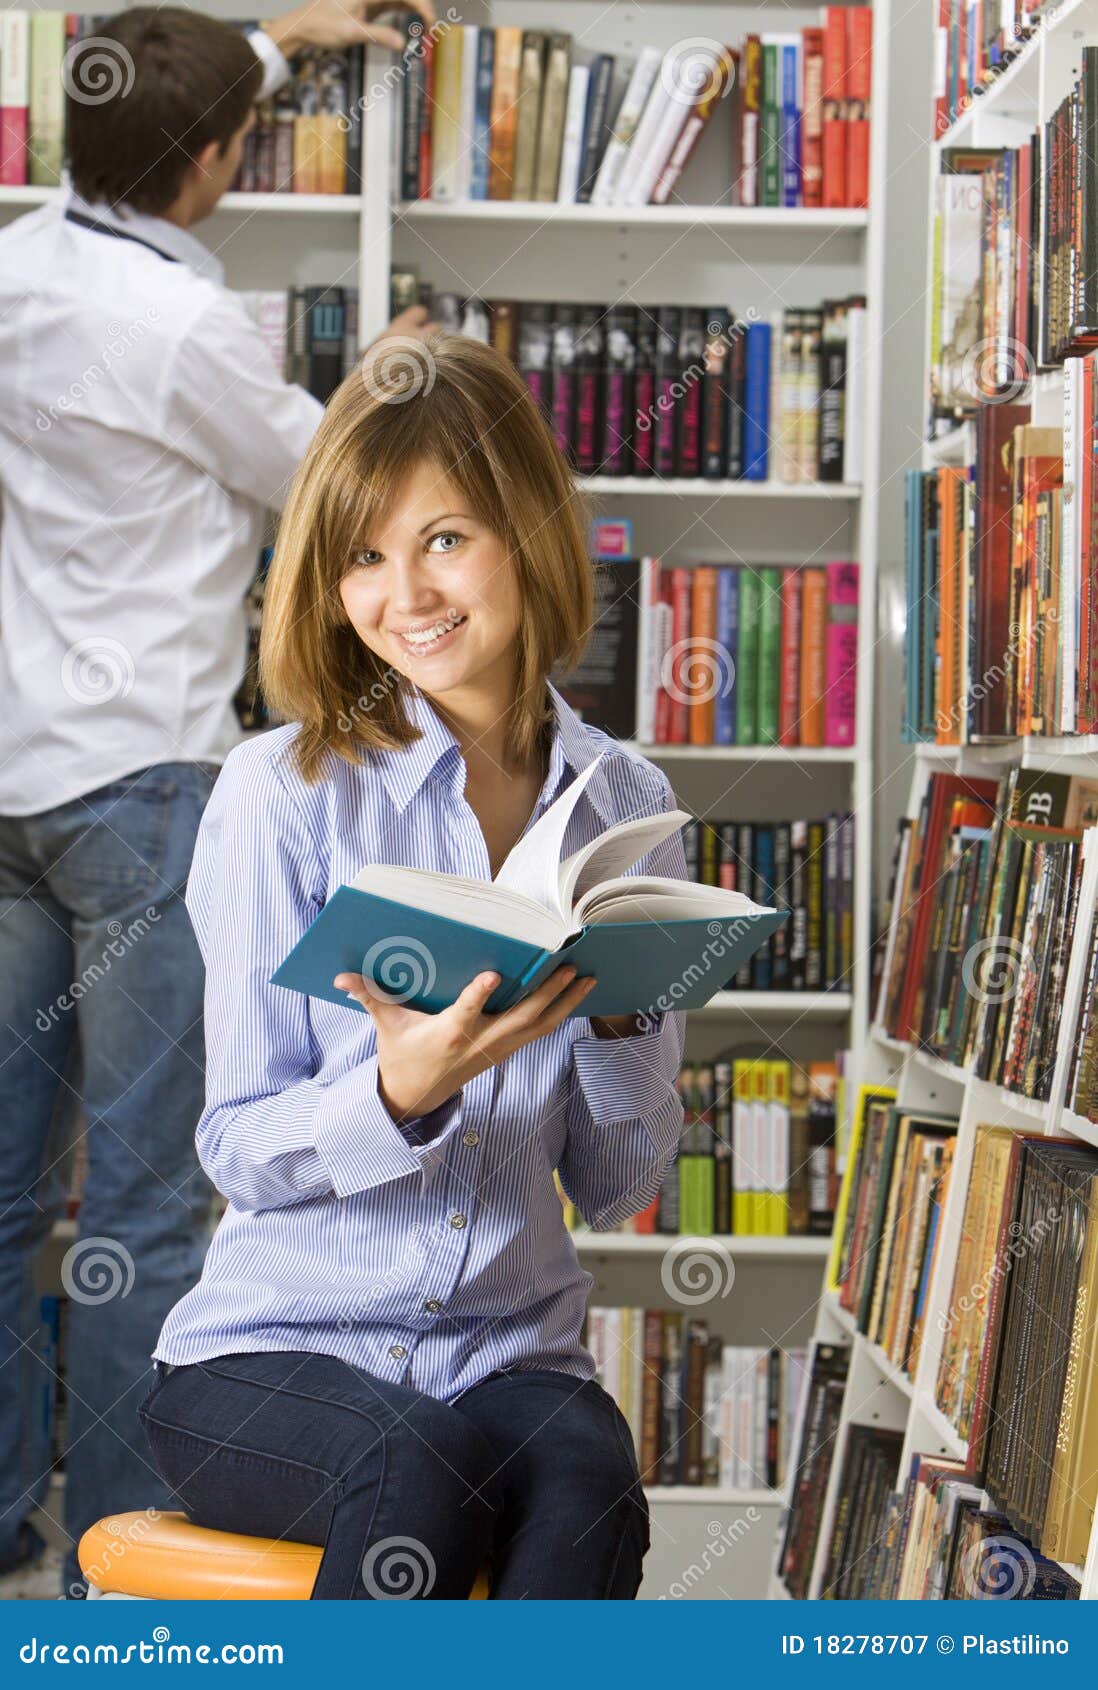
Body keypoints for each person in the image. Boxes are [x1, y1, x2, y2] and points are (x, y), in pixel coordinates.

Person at [138, 332, 689, 1599]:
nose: (408, 594)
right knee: (417, 1471)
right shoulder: (283, 794)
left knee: (590, 1488)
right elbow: (236, 1145)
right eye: (365, 557)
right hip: (266, 1357)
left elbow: (617, 1185)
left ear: (527, 533)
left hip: (509, 1355)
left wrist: (620, 1027)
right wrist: (398, 1093)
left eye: (446, 538)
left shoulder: (624, 801)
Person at [0, 2, 436, 1597]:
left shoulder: (19, 262)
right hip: (139, 797)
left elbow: (186, 108)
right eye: (238, 141)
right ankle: (123, 1557)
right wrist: (407, 375)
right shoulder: (182, 334)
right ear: (198, 168)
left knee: (2, 1195)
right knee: (142, 1199)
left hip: (11, 788)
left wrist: (277, 35)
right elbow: (328, 484)